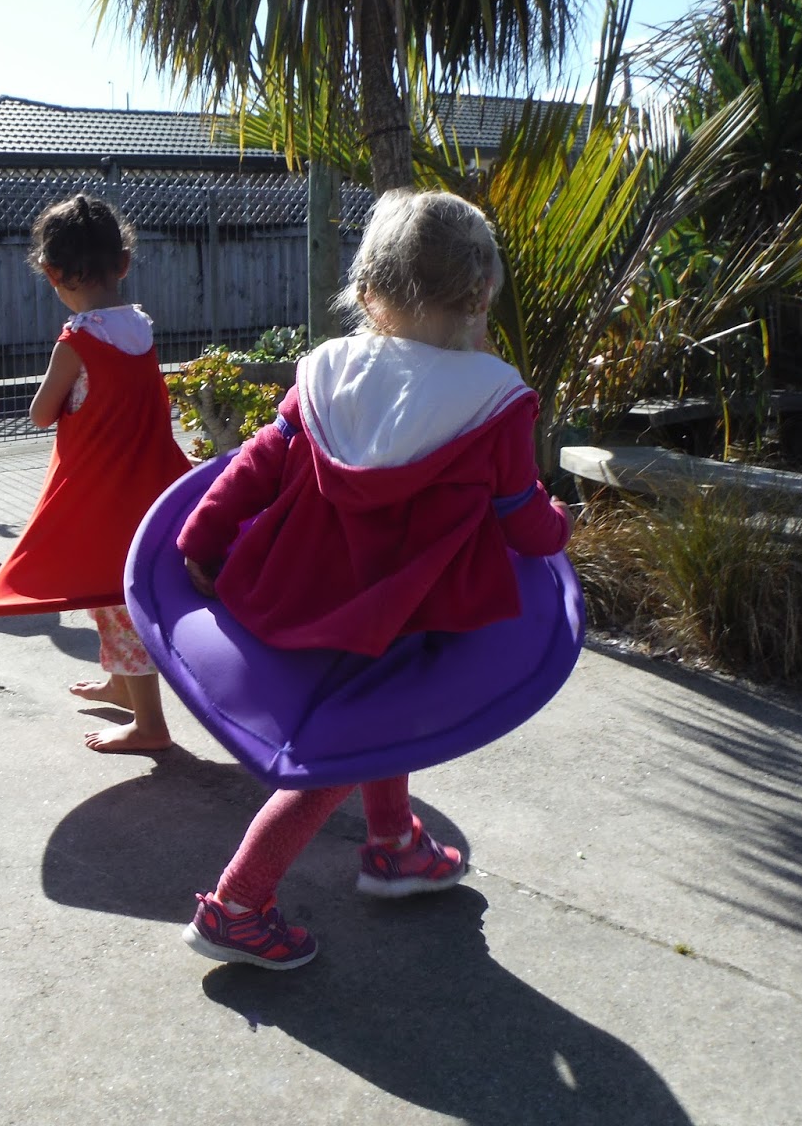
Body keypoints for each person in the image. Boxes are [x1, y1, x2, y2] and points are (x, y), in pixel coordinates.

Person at [175, 188, 573, 970]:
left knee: (383, 721)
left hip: (299, 591)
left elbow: (252, 466)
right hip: (402, 610)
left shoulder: (325, 374)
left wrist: (201, 541)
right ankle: (237, 905)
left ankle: (394, 844)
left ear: (365, 292)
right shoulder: (495, 400)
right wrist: (562, 528)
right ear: (482, 292)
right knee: (339, 753)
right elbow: (520, 513)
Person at [0, 194, 190, 753]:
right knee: (106, 591)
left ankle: (150, 725)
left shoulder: (77, 340)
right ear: (124, 263)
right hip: (145, 486)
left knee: (112, 597)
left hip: (99, 492)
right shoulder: (142, 329)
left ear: (52, 273)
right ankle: (119, 684)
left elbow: (41, 412)